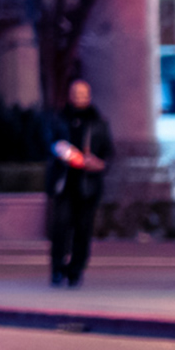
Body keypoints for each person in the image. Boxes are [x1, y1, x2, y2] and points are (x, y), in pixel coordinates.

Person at [45, 78, 112, 287]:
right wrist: (61, 152)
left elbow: (109, 154)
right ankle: (57, 268)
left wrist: (98, 164)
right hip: (64, 185)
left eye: (83, 94)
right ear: (70, 96)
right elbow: (49, 143)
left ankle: (75, 270)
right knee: (60, 228)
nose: (79, 98)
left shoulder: (99, 123)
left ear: (89, 97)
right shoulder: (59, 120)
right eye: (76, 94)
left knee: (83, 230)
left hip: (88, 186)